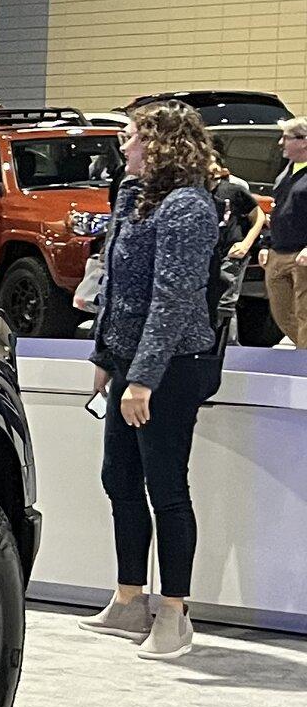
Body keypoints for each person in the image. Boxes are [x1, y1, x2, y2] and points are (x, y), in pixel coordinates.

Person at [84, 102, 230, 661]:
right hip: (130, 360)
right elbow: (115, 283)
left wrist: (142, 379)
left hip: (172, 366)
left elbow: (173, 300)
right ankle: (128, 599)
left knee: (166, 488)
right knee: (119, 478)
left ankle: (174, 612)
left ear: (161, 144)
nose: (123, 146)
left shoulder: (189, 207)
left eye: (132, 136)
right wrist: (105, 355)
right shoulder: (133, 195)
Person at [257, 117, 307, 349]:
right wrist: (266, 244)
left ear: (304, 141)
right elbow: (278, 210)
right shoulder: (286, 171)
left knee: (304, 313)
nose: (280, 143)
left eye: (286, 138)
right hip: (278, 252)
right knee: (282, 313)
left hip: (302, 255)